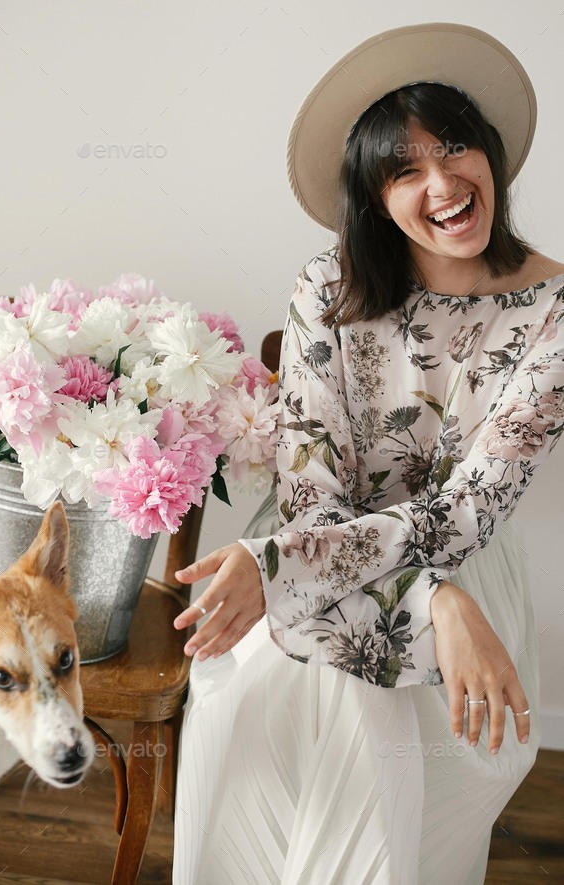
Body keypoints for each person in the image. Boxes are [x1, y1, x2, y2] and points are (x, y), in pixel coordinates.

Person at [171, 22, 564, 885]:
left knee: (346, 689)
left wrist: (440, 596)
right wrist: (432, 606)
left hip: (451, 561)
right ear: (374, 197)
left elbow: (469, 510)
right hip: (319, 548)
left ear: (491, 153)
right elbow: (311, 496)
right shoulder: (328, 286)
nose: (442, 183)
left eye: (455, 147)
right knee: (315, 684)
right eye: (404, 169)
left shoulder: (554, 311)